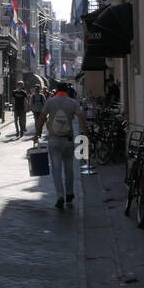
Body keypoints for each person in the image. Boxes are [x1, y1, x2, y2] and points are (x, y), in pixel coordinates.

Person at [34, 81, 88, 209]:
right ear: (67, 90)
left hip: (54, 140)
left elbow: (41, 118)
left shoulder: (50, 102)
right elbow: (81, 119)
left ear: (57, 90)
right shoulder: (72, 103)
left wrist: (37, 133)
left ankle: (60, 196)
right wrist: (85, 135)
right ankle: (69, 193)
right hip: (68, 140)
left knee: (56, 169)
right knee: (69, 169)